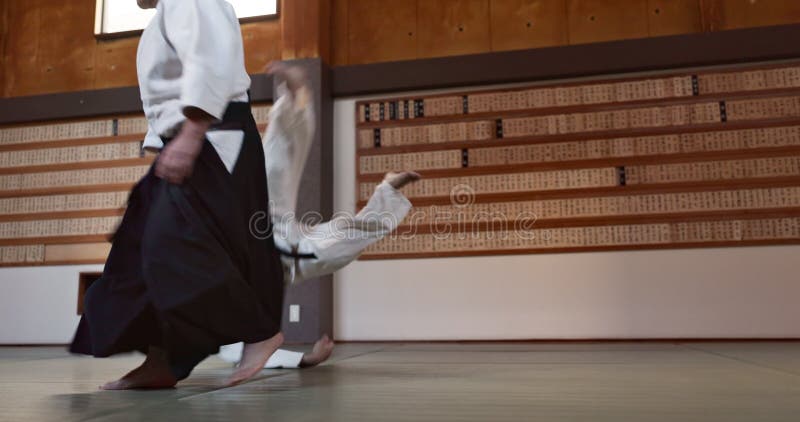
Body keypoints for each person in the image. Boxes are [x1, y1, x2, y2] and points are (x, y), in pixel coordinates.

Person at [70, 0, 286, 389]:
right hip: (187, 139)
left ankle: (260, 329)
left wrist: (192, 132)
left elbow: (210, 57)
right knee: (137, 254)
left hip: (212, 136)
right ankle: (163, 361)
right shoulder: (164, 16)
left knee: (176, 249)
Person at [218, 63, 420, 369]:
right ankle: (387, 190)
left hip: (265, 233)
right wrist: (305, 359)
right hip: (278, 248)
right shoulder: (235, 314)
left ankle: (295, 93)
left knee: (277, 163)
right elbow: (238, 350)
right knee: (337, 237)